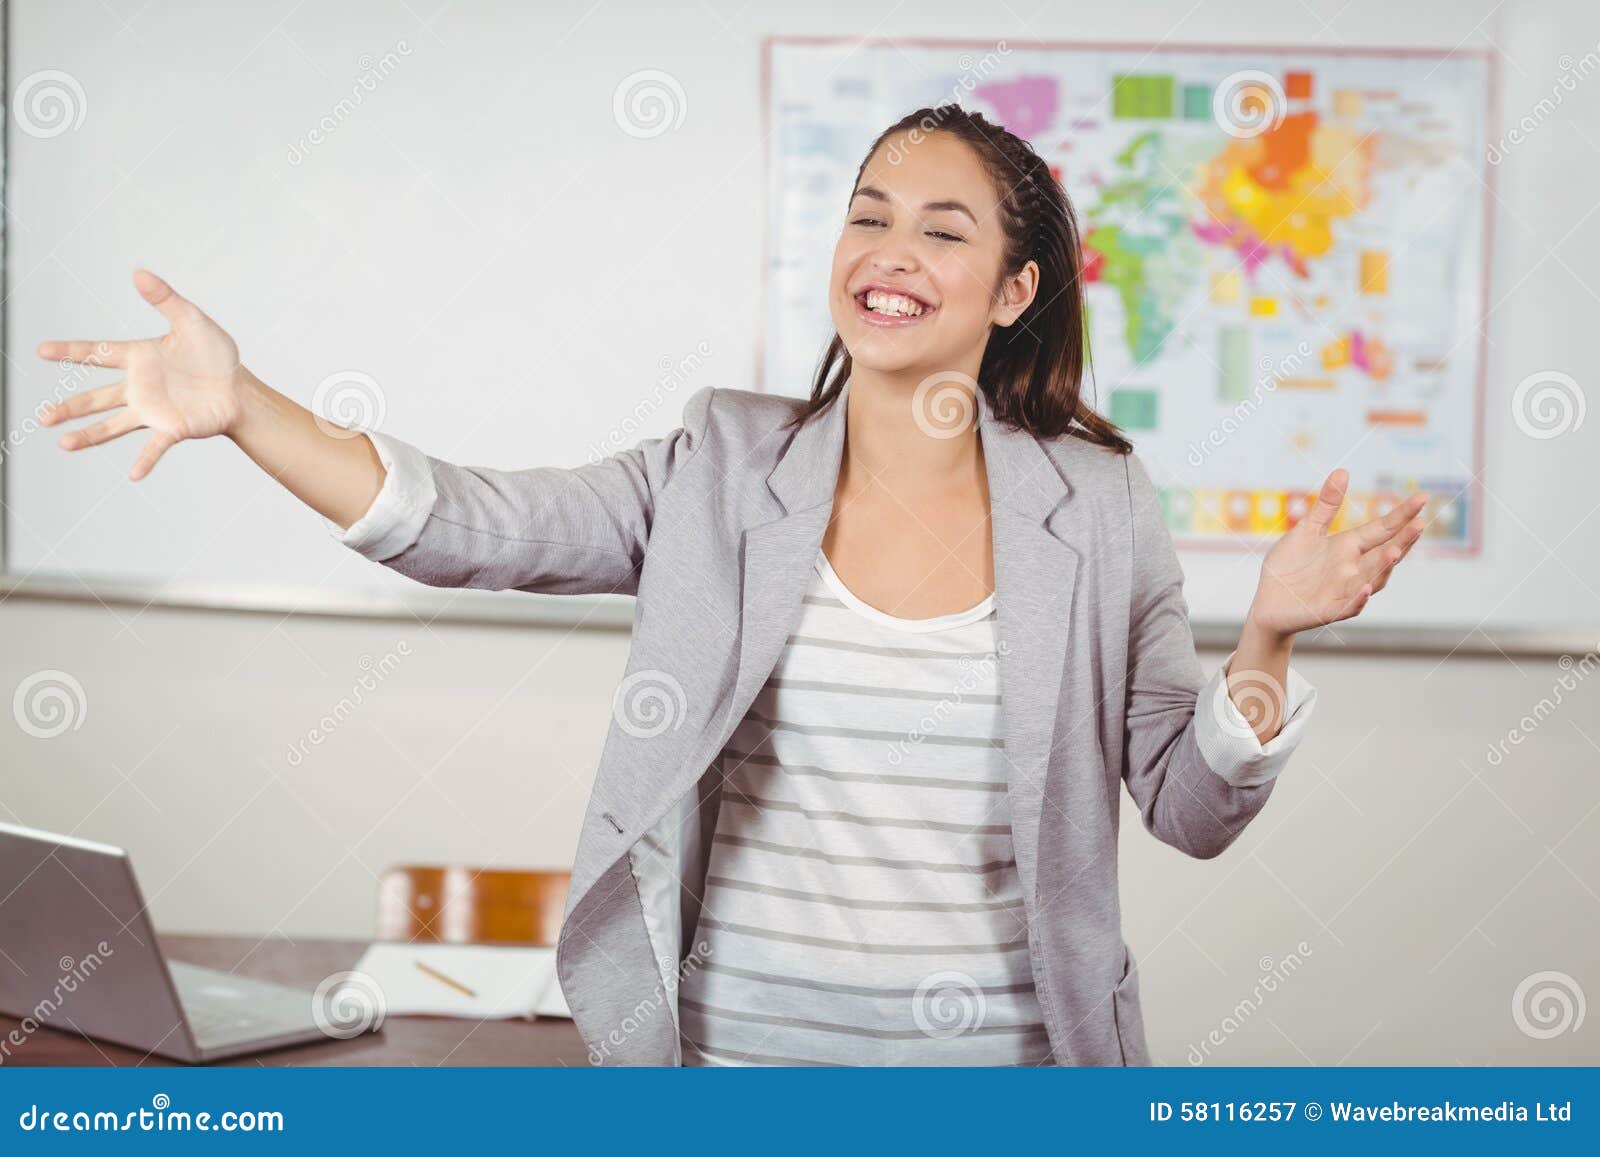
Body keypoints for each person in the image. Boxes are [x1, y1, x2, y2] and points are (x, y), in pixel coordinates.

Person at [37, 104, 1426, 1066]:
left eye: (944, 231)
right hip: (736, 1065)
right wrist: (248, 406)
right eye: (869, 215)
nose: (890, 250)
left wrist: (1268, 637)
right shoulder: (721, 461)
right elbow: (472, 522)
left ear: (1015, 291)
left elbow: (1189, 808)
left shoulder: (1099, 503)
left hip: (1008, 1075)